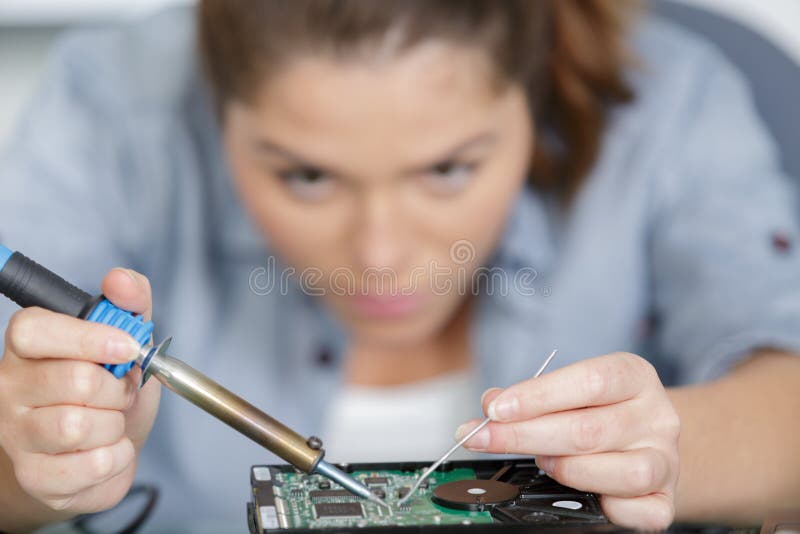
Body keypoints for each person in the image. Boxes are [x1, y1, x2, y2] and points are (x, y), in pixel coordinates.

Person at [0, 1, 798, 531]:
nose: (380, 259)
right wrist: (35, 457)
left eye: (448, 169)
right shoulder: (115, 103)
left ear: (532, 97)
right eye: (306, 176)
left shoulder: (668, 100)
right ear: (221, 113)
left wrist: (663, 447)